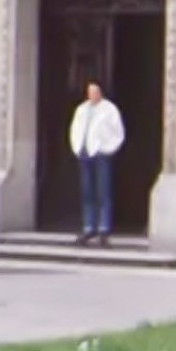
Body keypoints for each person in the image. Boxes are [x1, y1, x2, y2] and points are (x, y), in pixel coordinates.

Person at [68, 81, 124, 247]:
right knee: (87, 192)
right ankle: (88, 227)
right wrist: (77, 148)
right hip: (85, 154)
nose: (92, 95)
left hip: (101, 155)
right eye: (90, 92)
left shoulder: (109, 110)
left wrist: (106, 149)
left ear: (100, 92)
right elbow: (75, 130)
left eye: (95, 91)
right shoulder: (82, 109)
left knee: (103, 191)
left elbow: (117, 133)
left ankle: (103, 228)